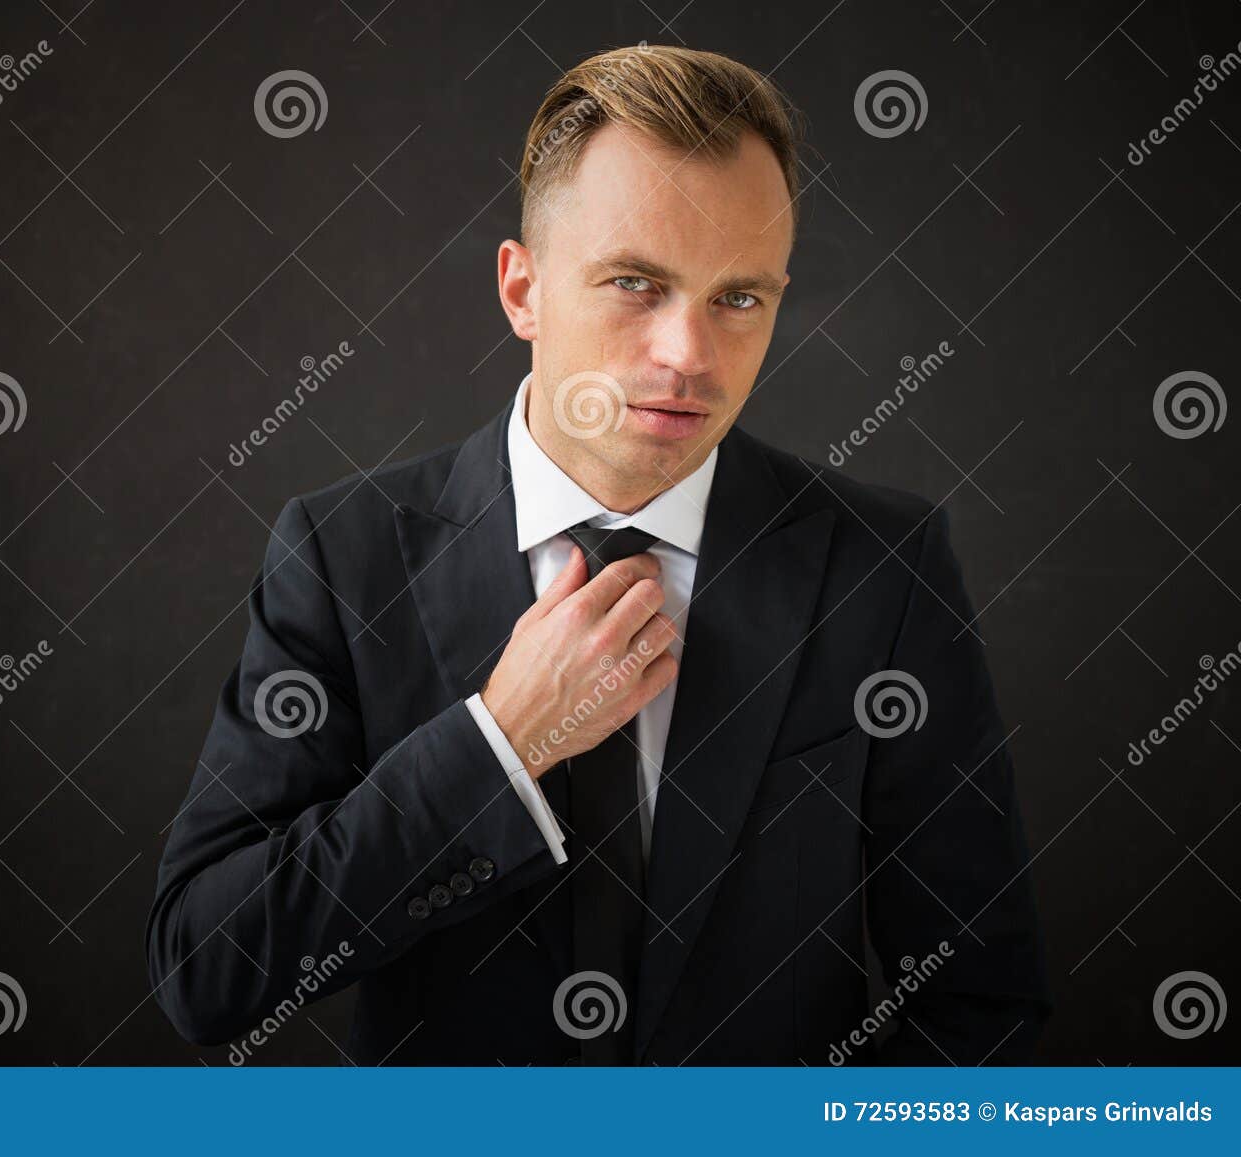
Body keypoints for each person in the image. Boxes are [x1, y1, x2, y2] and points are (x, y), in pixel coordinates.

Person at [146, 44, 1051, 1065]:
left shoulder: (883, 567)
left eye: (738, 297)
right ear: (522, 289)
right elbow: (208, 966)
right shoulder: (344, 554)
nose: (688, 357)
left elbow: (982, 1006)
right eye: (635, 282)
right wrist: (501, 745)